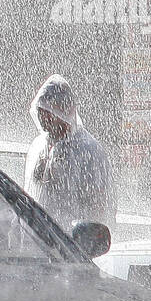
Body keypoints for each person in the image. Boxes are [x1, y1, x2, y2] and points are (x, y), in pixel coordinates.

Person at [23, 74, 116, 230]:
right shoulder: (39, 146)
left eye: (47, 112)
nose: (42, 119)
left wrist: (86, 240)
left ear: (65, 111)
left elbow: (99, 203)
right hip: (39, 238)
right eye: (40, 112)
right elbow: (29, 193)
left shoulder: (87, 150)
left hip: (70, 241)